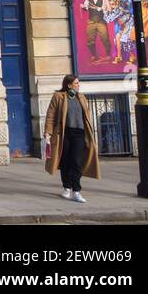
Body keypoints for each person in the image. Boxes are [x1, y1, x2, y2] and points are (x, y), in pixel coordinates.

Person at [42, 74, 101, 202]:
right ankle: (66, 187)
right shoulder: (59, 97)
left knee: (76, 162)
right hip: (64, 133)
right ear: (69, 85)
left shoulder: (81, 97)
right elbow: (50, 114)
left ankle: (76, 191)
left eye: (78, 83)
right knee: (65, 162)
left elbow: (86, 116)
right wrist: (48, 132)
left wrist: (89, 133)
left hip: (79, 133)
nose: (78, 85)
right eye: (76, 83)